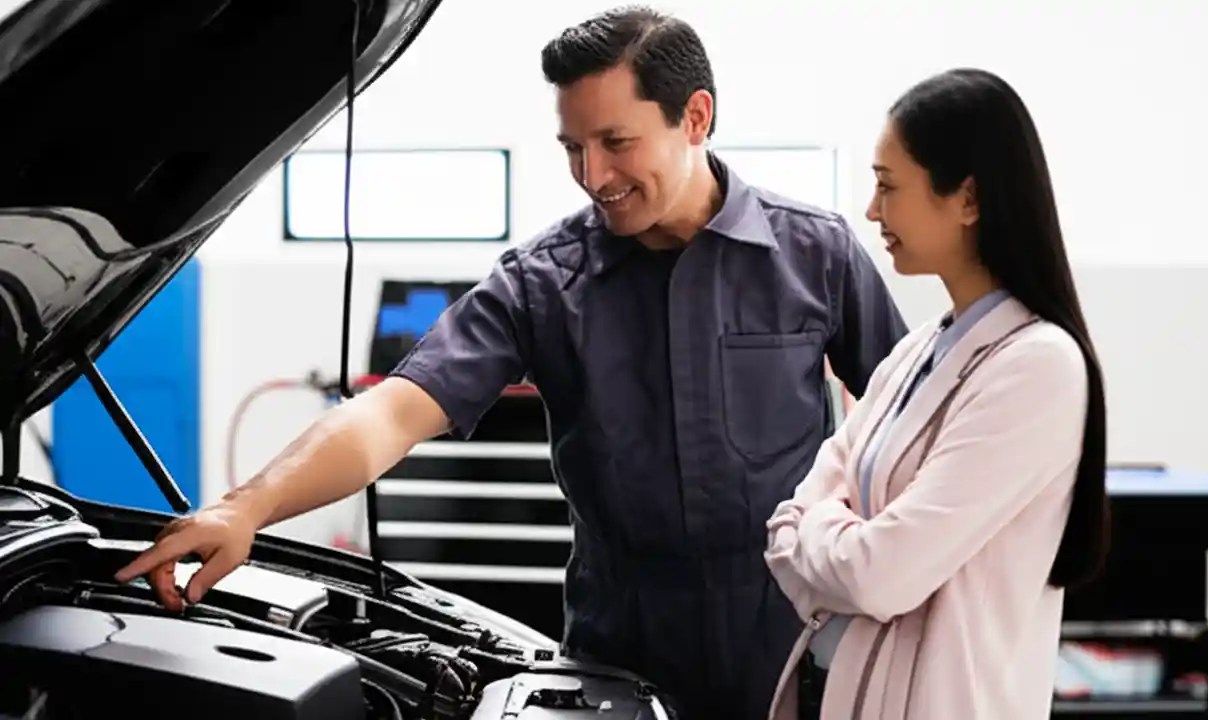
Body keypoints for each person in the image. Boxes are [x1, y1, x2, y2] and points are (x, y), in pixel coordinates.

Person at [113, 6, 907, 719]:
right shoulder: (543, 282)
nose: (593, 177)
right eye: (573, 147)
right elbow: (390, 413)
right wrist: (245, 508)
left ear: (695, 117)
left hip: (796, 651)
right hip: (616, 663)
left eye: (616, 142)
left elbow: (918, 430)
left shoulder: (816, 254)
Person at [763, 67, 1111, 720]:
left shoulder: (1039, 368)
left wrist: (824, 545)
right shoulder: (915, 351)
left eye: (889, 186)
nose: (872, 210)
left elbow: (883, 574)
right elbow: (784, 525)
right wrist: (838, 544)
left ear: (969, 199)